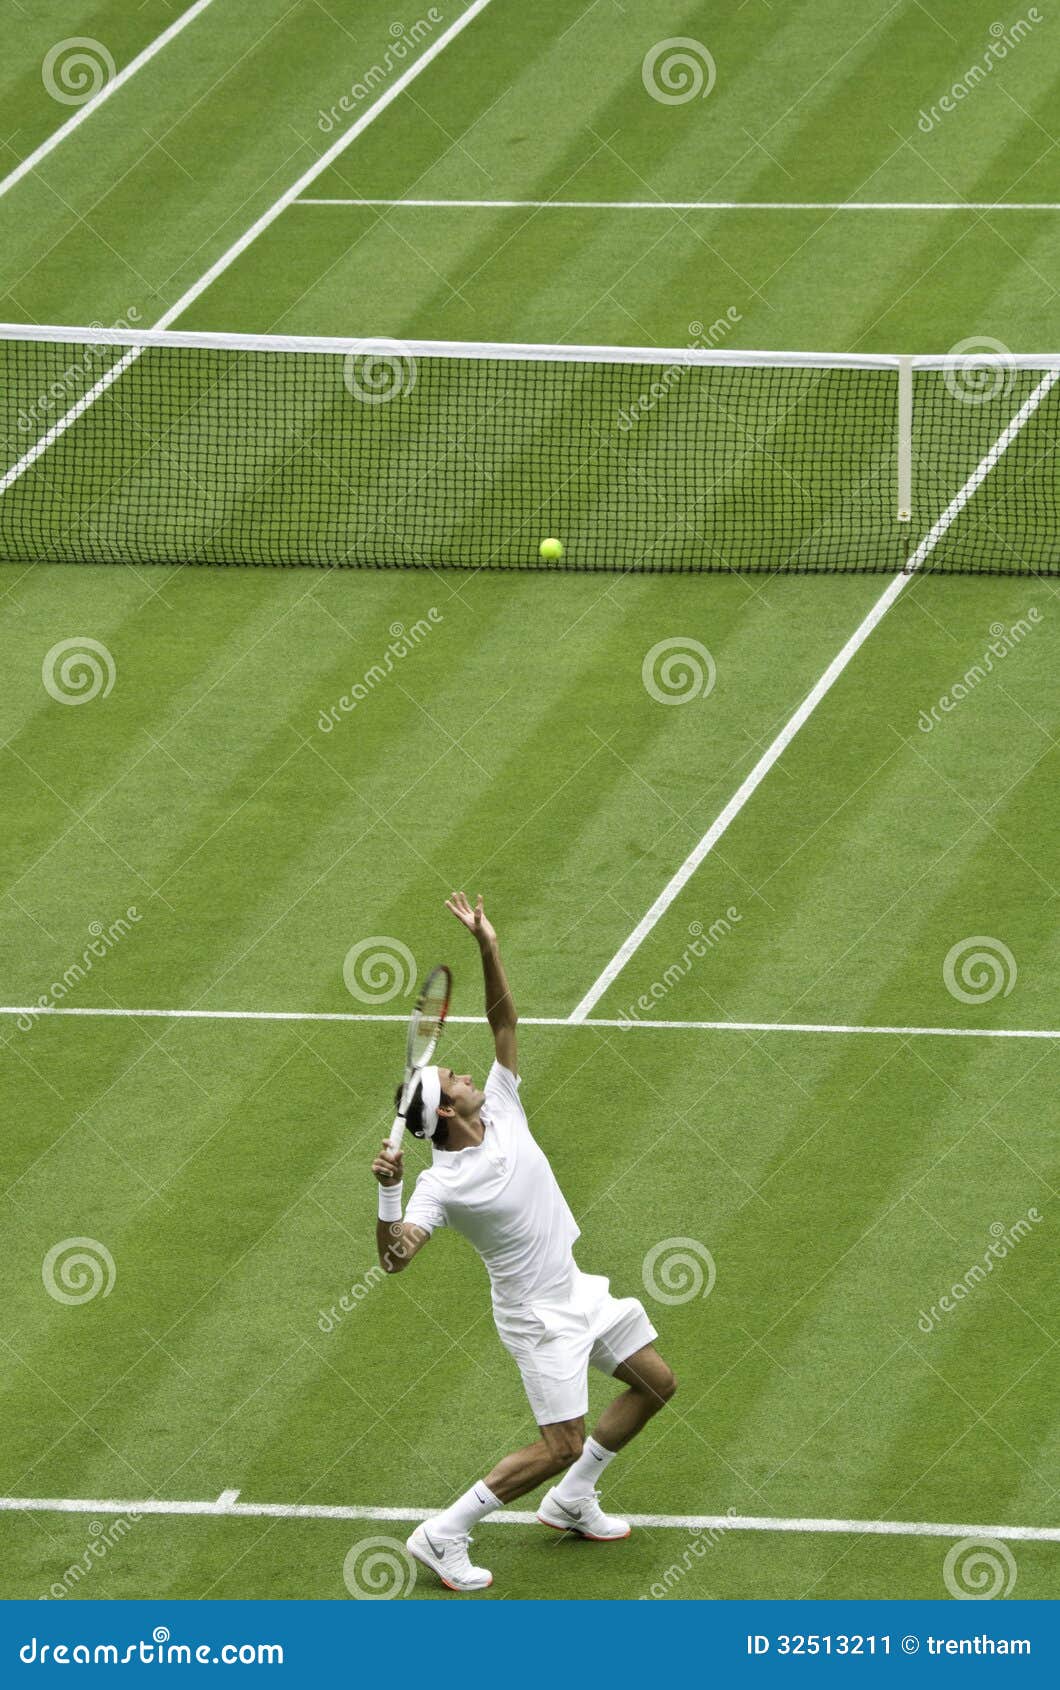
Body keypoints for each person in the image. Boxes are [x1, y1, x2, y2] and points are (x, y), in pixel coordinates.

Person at [371, 892, 677, 1592]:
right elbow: (395, 1258)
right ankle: (444, 1532)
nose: (469, 1072)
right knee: (558, 1443)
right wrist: (389, 1196)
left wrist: (488, 945)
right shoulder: (440, 1185)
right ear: (445, 1110)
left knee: (656, 1383)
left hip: (575, 1289)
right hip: (537, 1320)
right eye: (453, 1076)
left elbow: (502, 1018)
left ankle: (572, 1498)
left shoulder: (503, 1107)